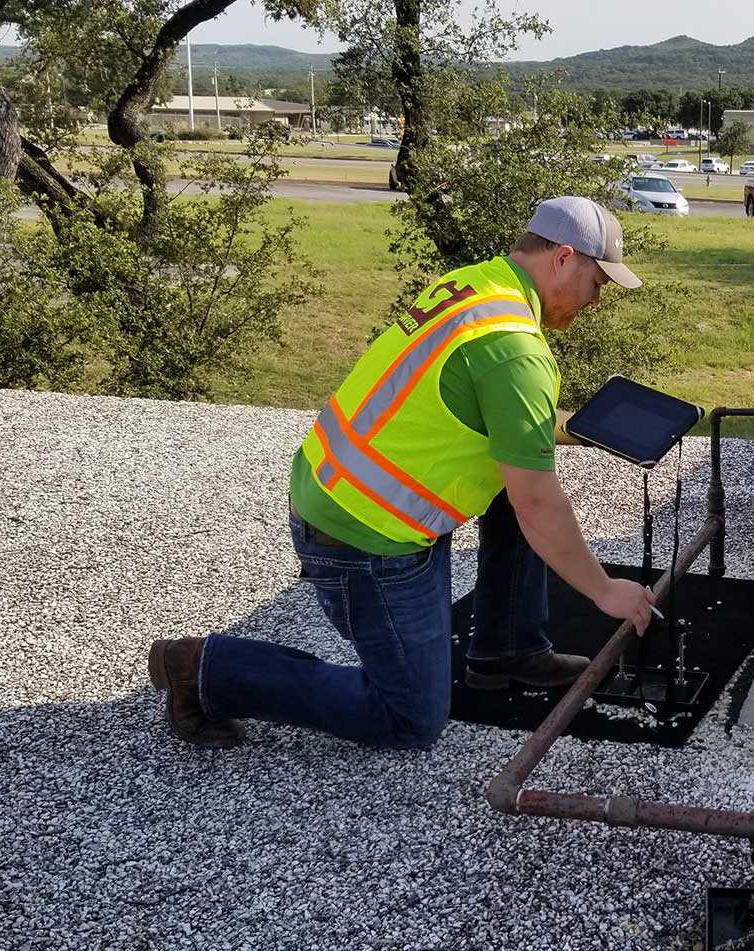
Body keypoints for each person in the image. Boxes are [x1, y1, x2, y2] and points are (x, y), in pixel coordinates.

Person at [146, 196, 656, 750]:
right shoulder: (514, 351)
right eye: (598, 282)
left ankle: (509, 649)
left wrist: (568, 427)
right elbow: (537, 503)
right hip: (364, 536)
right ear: (563, 258)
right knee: (410, 718)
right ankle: (199, 668)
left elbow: (468, 405)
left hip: (338, 489)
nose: (597, 299)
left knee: (518, 485)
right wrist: (604, 590)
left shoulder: (475, 287)